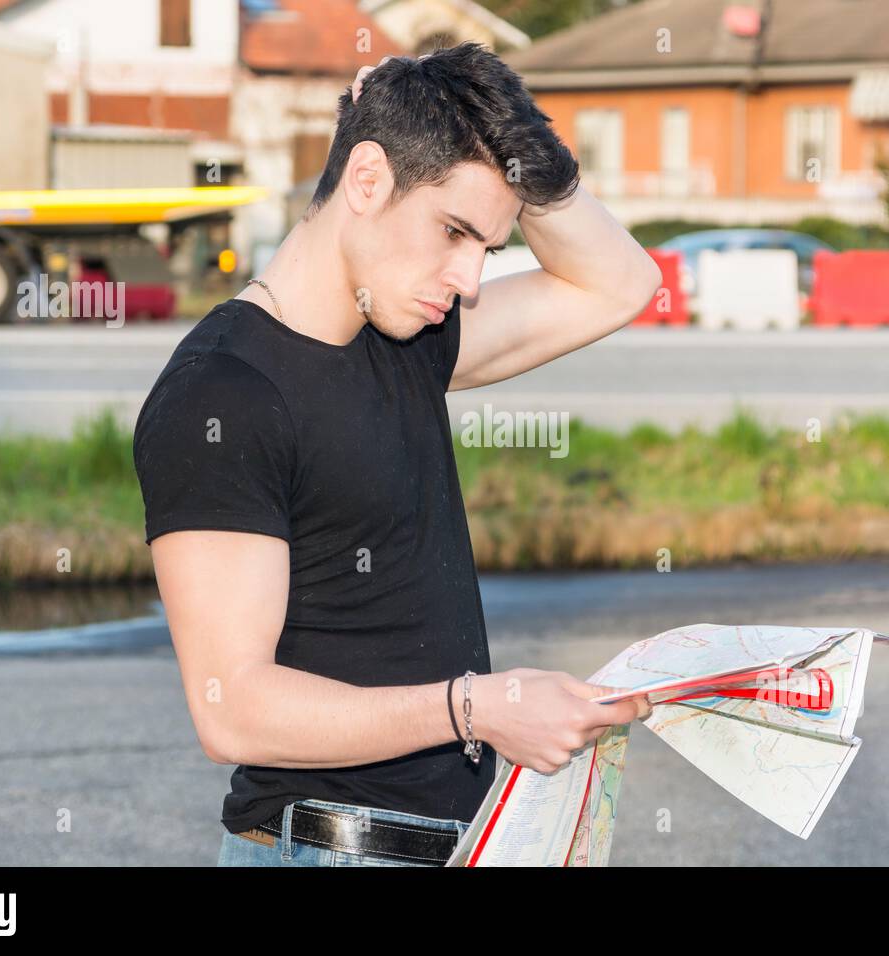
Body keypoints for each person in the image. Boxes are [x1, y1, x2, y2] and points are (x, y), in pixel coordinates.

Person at [132, 42, 661, 867]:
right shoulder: (222, 393)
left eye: (486, 248)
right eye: (453, 231)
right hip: (325, 849)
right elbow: (230, 708)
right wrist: (476, 709)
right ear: (367, 178)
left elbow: (618, 283)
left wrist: (522, 153)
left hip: (448, 846)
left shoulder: (406, 336)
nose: (469, 279)